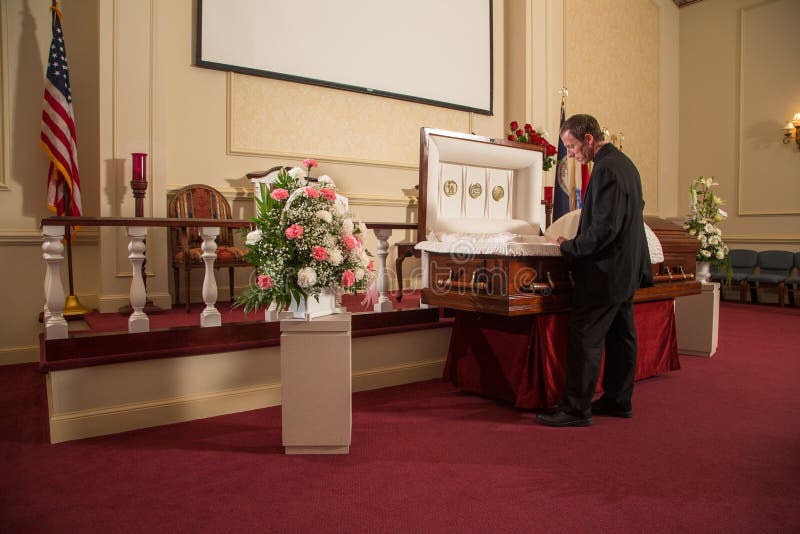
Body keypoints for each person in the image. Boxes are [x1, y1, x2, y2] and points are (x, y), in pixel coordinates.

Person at [536, 114, 652, 427]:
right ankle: (618, 400)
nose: (571, 154)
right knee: (620, 337)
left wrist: (568, 247)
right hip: (627, 268)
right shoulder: (625, 164)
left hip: (606, 271)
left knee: (585, 336)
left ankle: (575, 409)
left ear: (589, 139)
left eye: (572, 147)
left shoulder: (606, 169)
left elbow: (605, 228)